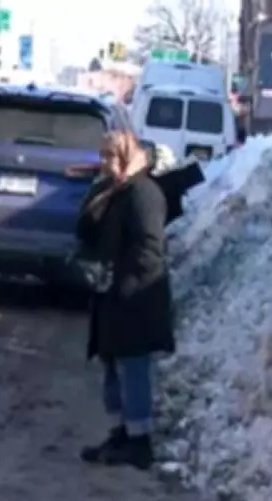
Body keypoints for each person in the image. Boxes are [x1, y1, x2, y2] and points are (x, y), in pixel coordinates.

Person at [74, 131, 176, 470]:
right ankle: (121, 433)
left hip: (135, 297)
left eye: (110, 156)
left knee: (133, 367)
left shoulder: (143, 193)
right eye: (101, 156)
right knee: (112, 366)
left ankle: (139, 440)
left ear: (127, 156)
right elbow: (88, 228)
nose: (103, 163)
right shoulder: (115, 190)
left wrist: (125, 281)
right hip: (114, 296)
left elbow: (150, 248)